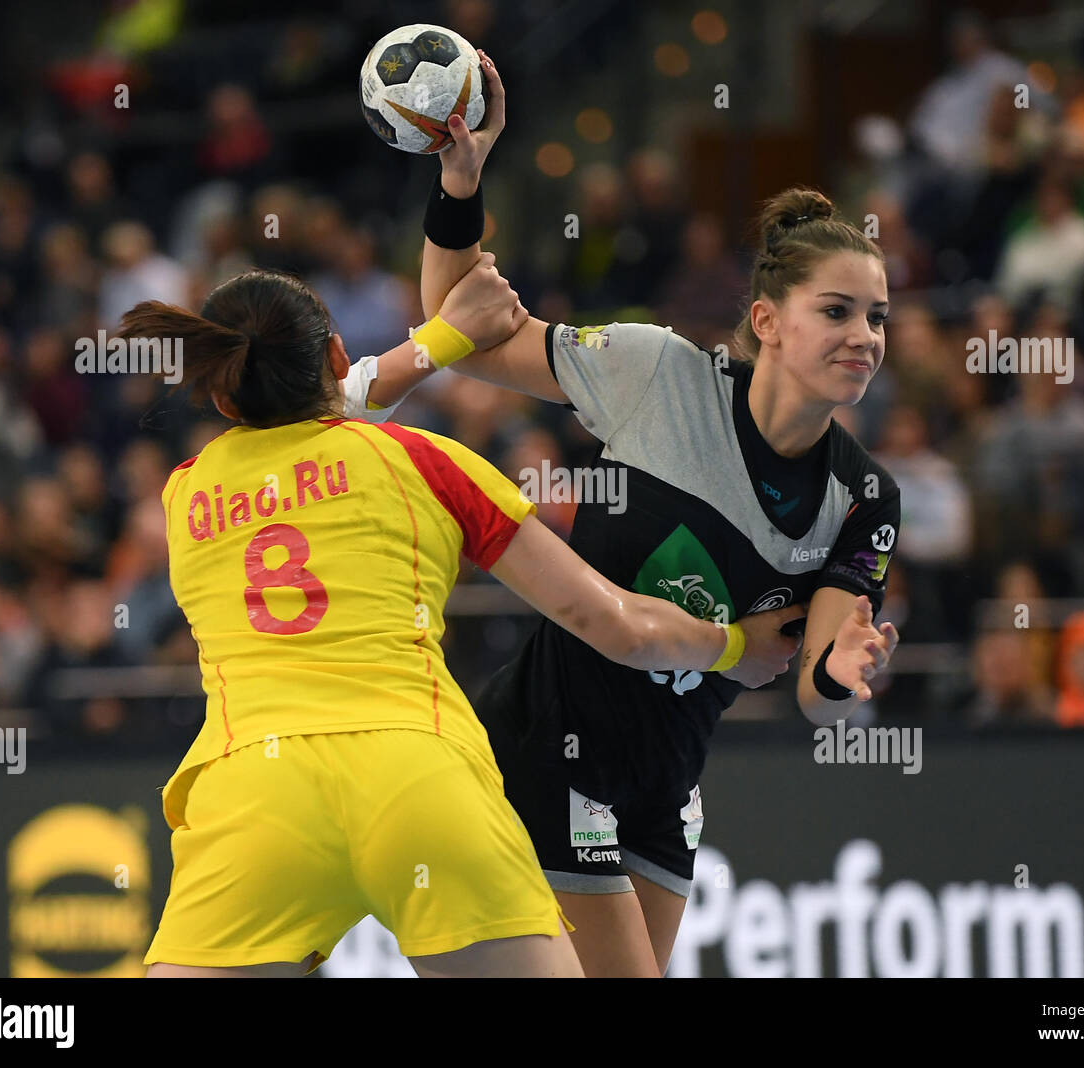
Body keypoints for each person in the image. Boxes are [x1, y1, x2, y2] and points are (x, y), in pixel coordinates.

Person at [353, 53, 903, 977]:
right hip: (552, 741)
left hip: (667, 784)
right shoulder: (656, 370)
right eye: (838, 311)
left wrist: (846, 674)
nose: (864, 337)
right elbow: (462, 321)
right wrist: (460, 182)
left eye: (879, 318)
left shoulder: (865, 498)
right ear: (766, 322)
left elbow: (813, 687)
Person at [127, 261, 802, 978]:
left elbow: (313, 427)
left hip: (255, 802)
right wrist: (733, 646)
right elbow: (617, 626)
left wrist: (442, 340)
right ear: (331, 353)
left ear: (225, 398)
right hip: (417, 781)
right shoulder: (425, 464)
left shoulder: (182, 497)